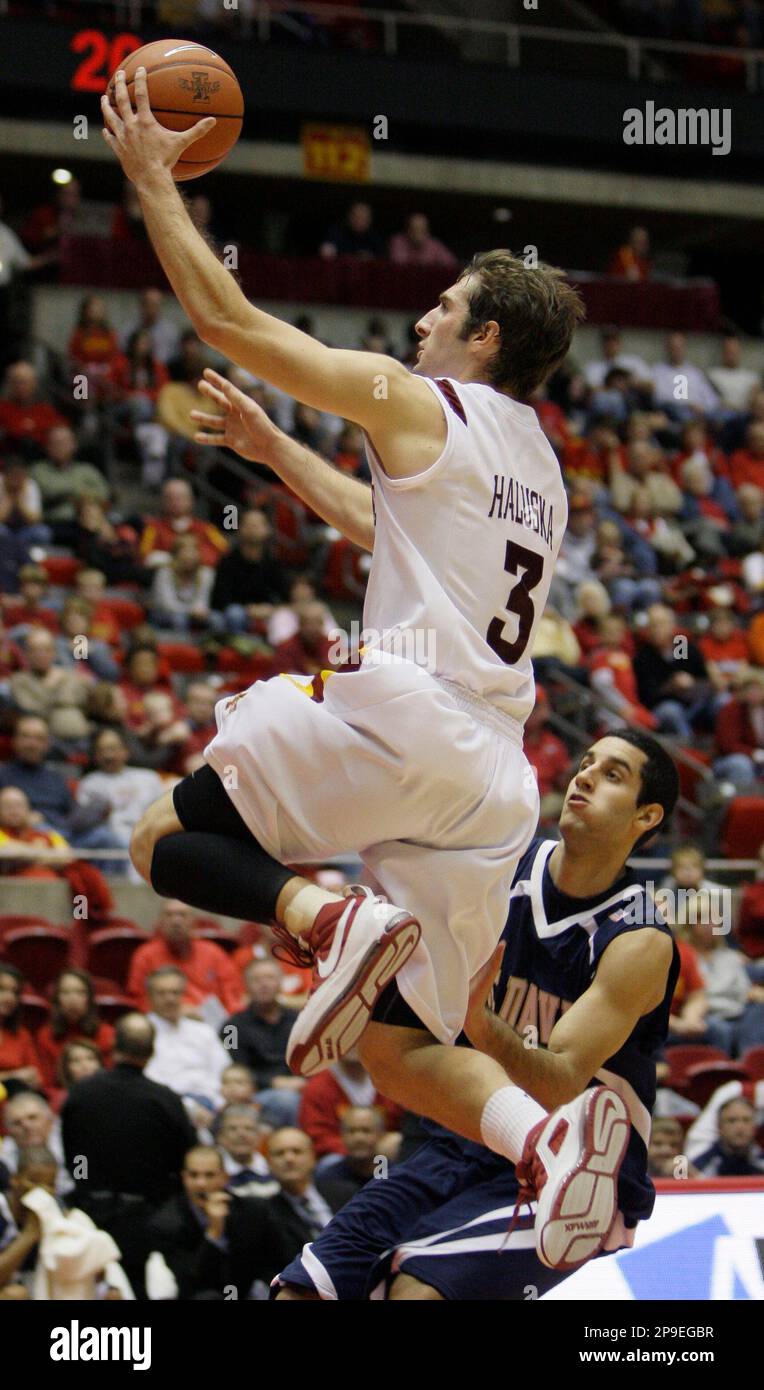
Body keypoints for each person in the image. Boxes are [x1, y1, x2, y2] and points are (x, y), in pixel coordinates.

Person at [102, 81, 598, 1269]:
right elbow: (394, 538)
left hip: (406, 717)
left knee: (161, 837)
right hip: (491, 781)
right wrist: (275, 451)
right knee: (394, 1048)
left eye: (443, 305)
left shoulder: (415, 399)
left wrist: (151, 181)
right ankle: (552, 1144)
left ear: (482, 339)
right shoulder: (539, 467)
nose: (423, 318)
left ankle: (325, 914)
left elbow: (229, 323)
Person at [274, 731, 680, 1300]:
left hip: (577, 1174)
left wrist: (479, 1021)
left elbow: (561, 1079)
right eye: (585, 762)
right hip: (462, 1140)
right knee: (303, 1292)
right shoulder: (503, 864)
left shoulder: (639, 940)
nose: (584, 776)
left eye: (613, 774)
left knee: (417, 1293)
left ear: (648, 815)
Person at [61, 1012, 197, 1298]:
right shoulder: (165, 1100)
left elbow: (73, 1158)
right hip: (149, 1222)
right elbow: (187, 1161)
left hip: (89, 1218)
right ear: (151, 1052)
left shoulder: (80, 1094)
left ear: (113, 1047)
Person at [222, 959, 305, 1128]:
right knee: (286, 1100)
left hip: (300, 1085)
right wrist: (272, 1082)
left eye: (269, 978)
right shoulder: (232, 1027)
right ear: (245, 985)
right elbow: (235, 1069)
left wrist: (305, 1083)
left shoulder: (300, 1020)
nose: (264, 984)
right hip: (256, 1092)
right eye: (256, 980)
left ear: (281, 983)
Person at [127, 899, 241, 1017]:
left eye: (182, 915)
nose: (176, 921)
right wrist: (174, 1012)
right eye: (169, 915)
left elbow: (232, 997)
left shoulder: (213, 952)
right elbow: (139, 1001)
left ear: (193, 922)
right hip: (163, 1022)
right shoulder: (145, 955)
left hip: (212, 1024)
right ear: (160, 922)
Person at [144, 965, 230, 1114]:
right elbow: (149, 1082)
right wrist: (189, 1106)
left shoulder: (203, 1030)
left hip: (211, 1103)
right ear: (150, 996)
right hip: (164, 1106)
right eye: (162, 993)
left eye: (175, 992)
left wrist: (218, 1103)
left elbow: (223, 1072)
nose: (170, 999)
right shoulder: (142, 1032)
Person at [35, 970, 114, 1093]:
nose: (73, 999)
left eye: (80, 992)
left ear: (90, 998)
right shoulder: (46, 1035)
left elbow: (111, 1078)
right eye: (65, 993)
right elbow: (46, 1083)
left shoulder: (107, 1033)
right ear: (56, 999)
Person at [693, 1097, 764, 1177]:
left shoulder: (760, 1160)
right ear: (719, 1126)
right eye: (732, 1120)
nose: (740, 1127)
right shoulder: (701, 1167)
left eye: (746, 1120)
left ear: (755, 1126)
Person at [0, 964, 42, 1097]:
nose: (9, 997)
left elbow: (37, 1079)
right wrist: (13, 1076)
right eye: (1, 989)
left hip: (15, 1106)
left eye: (14, 992)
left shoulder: (21, 1034)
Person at [389, 214, 457, 269]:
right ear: (408, 230)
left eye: (422, 230)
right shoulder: (398, 241)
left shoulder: (434, 245)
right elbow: (398, 264)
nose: (418, 233)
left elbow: (451, 264)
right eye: (415, 229)